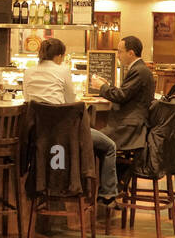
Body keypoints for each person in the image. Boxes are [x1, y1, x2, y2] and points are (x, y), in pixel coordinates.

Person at [23, 37, 120, 207]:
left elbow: (27, 100)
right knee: (109, 146)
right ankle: (106, 195)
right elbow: (70, 101)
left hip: (39, 138)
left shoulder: (28, 72)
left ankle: (44, 192)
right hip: (67, 137)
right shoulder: (63, 71)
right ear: (59, 56)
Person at [91, 35, 154, 162]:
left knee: (90, 140)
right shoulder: (139, 69)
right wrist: (108, 86)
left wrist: (102, 87)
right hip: (129, 123)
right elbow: (127, 93)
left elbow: (121, 96)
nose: (118, 55)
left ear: (131, 53)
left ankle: (105, 180)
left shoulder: (139, 70)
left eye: (120, 52)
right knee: (93, 137)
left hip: (129, 126)